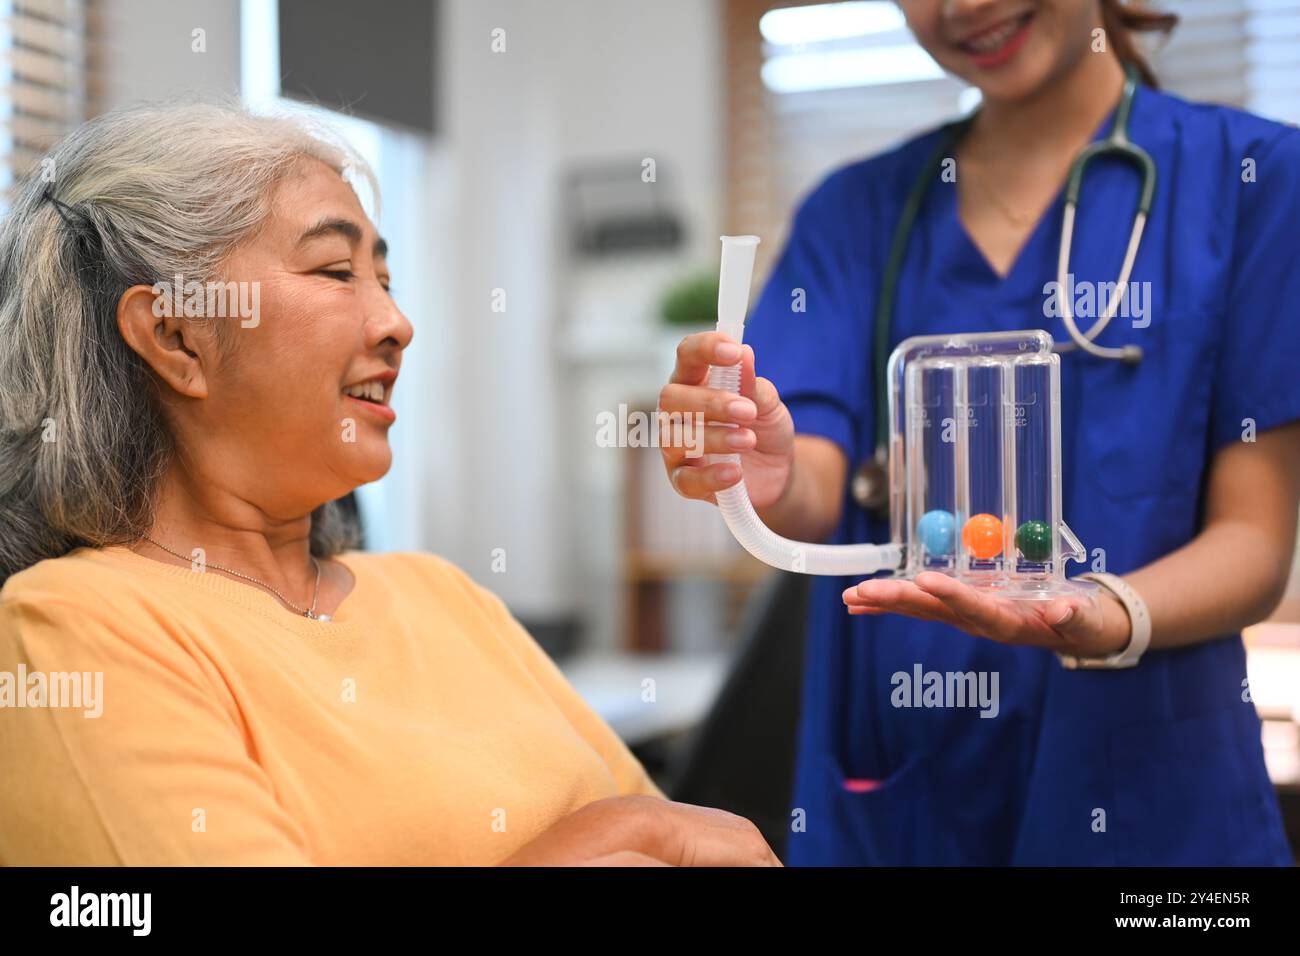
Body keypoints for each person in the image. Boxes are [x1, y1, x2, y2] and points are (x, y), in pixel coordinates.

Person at [0, 101, 779, 867]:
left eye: (386, 276)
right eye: (336, 271)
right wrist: (601, 839)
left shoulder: (441, 595)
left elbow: (684, 842)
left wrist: (637, 831)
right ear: (177, 337)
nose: (397, 322)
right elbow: (646, 831)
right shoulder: (71, 632)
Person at [660, 0, 1300, 864]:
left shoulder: (1254, 179)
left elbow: (1255, 542)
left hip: (1152, 801)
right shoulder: (855, 215)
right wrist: (760, 472)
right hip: (904, 796)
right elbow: (809, 475)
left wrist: (1104, 614)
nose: (962, 6)